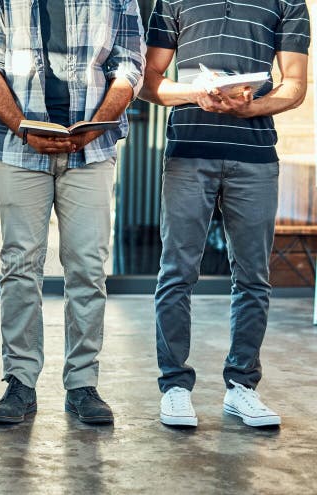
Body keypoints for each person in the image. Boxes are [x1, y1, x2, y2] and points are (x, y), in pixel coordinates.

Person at [0, 0, 145, 424]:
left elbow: (130, 64)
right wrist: (21, 125)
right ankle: (20, 382)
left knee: (88, 267)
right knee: (20, 265)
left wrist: (96, 126)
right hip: (19, 147)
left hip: (92, 149)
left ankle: (82, 384)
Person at [141, 0, 310, 428]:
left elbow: (295, 85)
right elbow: (149, 81)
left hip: (255, 158)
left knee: (253, 277)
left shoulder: (288, 2)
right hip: (188, 154)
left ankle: (242, 386)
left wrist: (249, 107)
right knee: (176, 273)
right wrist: (195, 93)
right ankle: (175, 386)